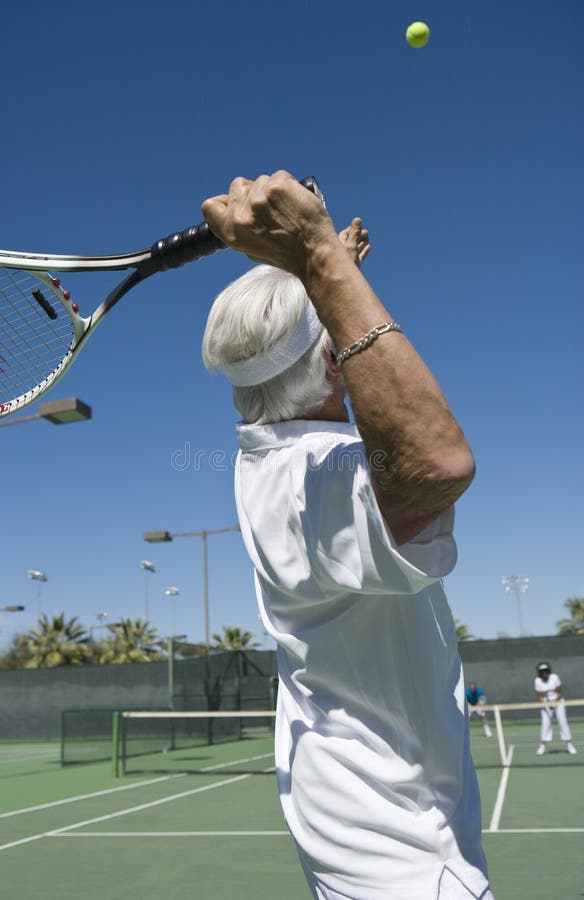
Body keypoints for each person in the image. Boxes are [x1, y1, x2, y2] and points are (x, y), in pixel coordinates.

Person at [201, 172, 492, 899]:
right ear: (333, 358)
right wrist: (321, 260)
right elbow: (436, 462)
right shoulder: (320, 477)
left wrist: (331, 274)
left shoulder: (263, 454)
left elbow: (324, 374)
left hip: (343, 833)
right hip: (406, 862)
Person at [534, 662, 577, 756]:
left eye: (546, 671)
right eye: (542, 671)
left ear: (548, 671)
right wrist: (547, 704)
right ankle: (542, 746)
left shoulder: (554, 677)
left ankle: (569, 745)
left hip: (558, 701)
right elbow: (539, 696)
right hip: (546, 704)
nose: (544, 673)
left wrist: (554, 702)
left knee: (563, 722)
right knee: (545, 724)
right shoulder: (537, 681)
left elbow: (559, 691)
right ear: (539, 672)